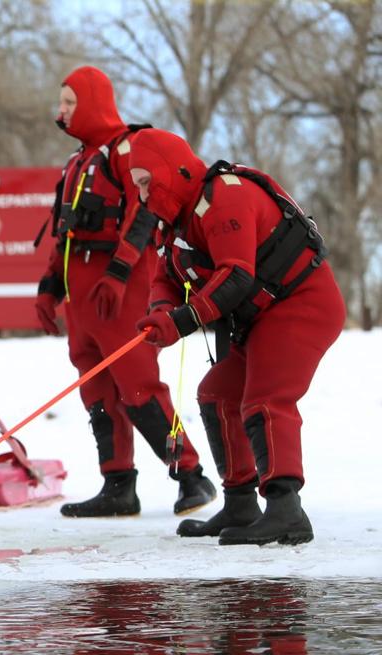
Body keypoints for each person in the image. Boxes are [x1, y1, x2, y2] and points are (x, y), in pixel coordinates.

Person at [130, 129, 345, 545]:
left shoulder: (226, 197)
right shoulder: (176, 223)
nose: (142, 196)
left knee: (266, 398)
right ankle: (240, 502)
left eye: (145, 182)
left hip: (302, 304)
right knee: (217, 394)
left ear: (168, 172)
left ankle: (286, 511)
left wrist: (182, 321)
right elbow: (164, 278)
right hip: (263, 317)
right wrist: (160, 312)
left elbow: (236, 274)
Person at [36, 66, 216, 518]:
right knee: (96, 390)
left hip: (121, 294)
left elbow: (145, 212)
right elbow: (65, 234)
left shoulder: (126, 150)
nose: (60, 112)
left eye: (69, 103)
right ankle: (118, 485)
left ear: (92, 103)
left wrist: (119, 273)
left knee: (139, 387)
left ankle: (191, 476)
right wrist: (47, 290)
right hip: (83, 304)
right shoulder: (77, 162)